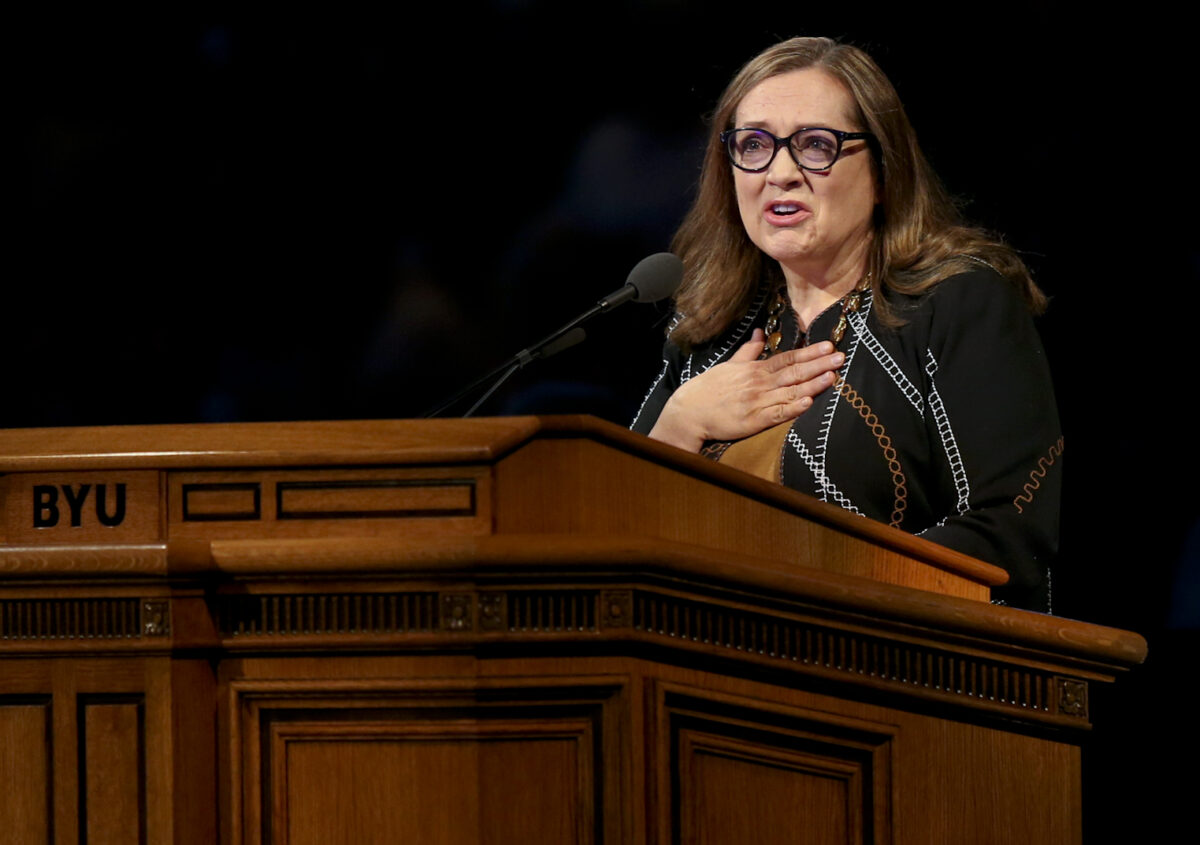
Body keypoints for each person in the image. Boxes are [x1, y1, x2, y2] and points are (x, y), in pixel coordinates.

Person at [631, 37, 1061, 611]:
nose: (780, 172)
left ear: (883, 172)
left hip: (899, 675)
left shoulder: (954, 303)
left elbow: (1007, 535)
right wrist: (678, 426)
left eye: (815, 145)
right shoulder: (712, 330)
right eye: (754, 144)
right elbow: (617, 529)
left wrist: (811, 591)